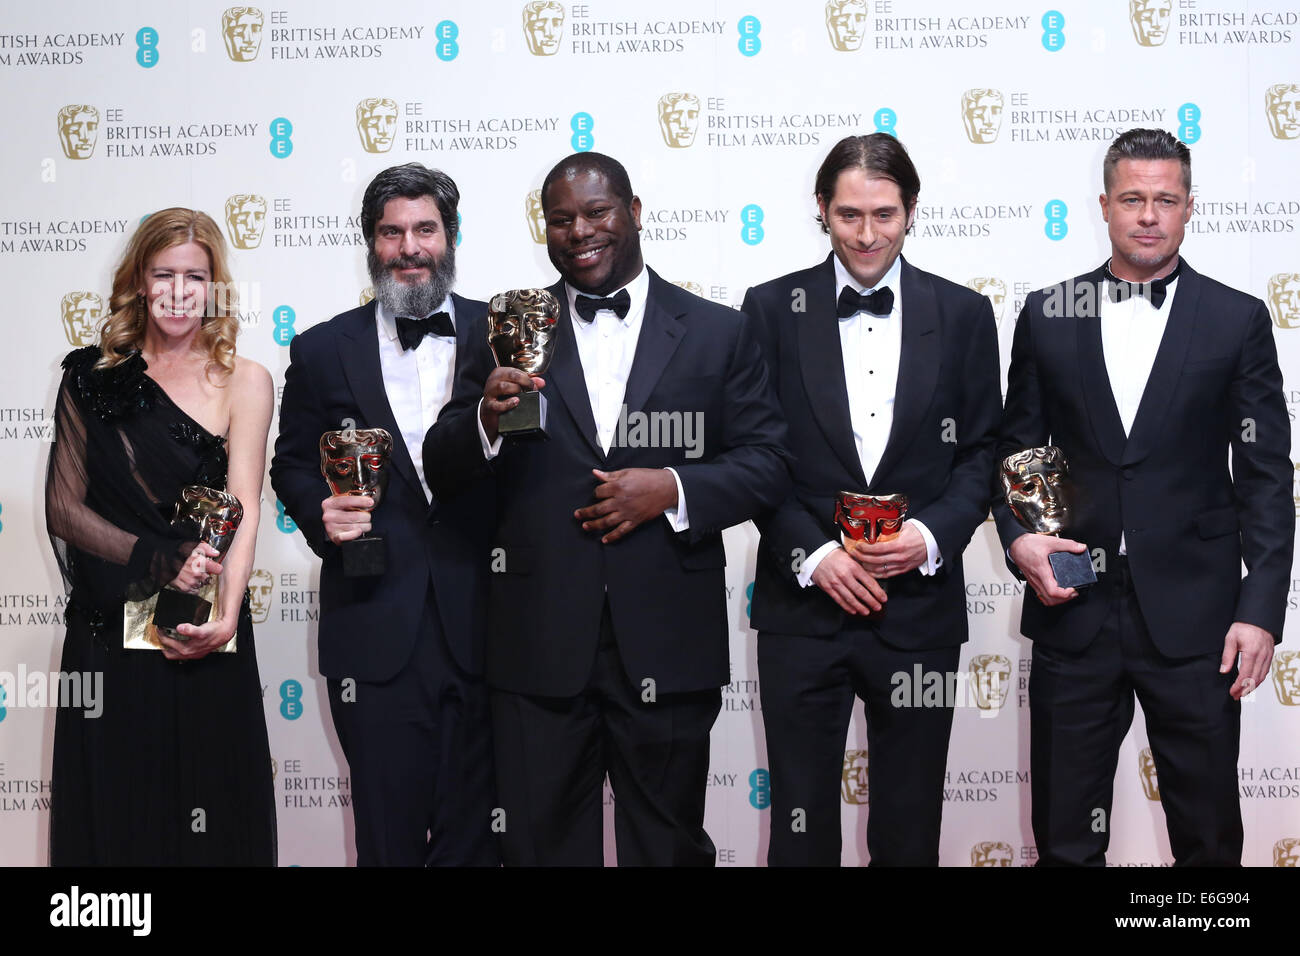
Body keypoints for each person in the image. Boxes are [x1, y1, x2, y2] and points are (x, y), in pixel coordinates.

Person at [424, 151, 790, 866]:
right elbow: (443, 464)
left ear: (635, 212)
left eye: (596, 212)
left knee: (669, 847)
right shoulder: (505, 326)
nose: (579, 231)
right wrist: (485, 425)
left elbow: (768, 464)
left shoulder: (718, 330)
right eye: (561, 220)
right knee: (540, 849)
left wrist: (673, 490)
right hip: (536, 647)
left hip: (666, 640)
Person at [993, 127, 1293, 866]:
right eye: (1133, 198)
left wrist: (1260, 613)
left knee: (1209, 834)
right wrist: (1017, 537)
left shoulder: (1237, 319)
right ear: (1104, 205)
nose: (1149, 215)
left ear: (1190, 207)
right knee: (1064, 836)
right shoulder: (1047, 314)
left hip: (1199, 619)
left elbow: (1267, 477)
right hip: (1075, 606)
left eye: (1165, 199)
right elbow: (1016, 454)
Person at [743, 133, 1002, 865]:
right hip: (803, 609)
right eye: (849, 214)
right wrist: (815, 554)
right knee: (798, 826)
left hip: (917, 608)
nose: (866, 235)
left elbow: (984, 451)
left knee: (911, 827)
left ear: (912, 211)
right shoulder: (769, 309)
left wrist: (929, 536)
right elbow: (753, 457)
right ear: (821, 209)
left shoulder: (964, 314)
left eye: (884, 215)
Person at [269, 164, 497, 866]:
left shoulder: (505, 334)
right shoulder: (320, 348)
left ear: (450, 237)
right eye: (391, 232)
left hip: (494, 626)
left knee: (482, 840)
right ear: (370, 244)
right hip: (373, 626)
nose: (409, 247)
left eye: (424, 229)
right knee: (387, 839)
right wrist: (320, 513)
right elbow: (291, 463)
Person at [46, 207, 276, 865]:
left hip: (200, 621)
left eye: (195, 277)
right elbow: (65, 509)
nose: (179, 291)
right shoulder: (90, 379)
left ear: (215, 286)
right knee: (119, 813)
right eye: (164, 274)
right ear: (139, 282)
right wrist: (154, 558)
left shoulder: (246, 379)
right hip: (108, 627)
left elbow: (245, 507)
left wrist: (229, 614)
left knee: (208, 799)